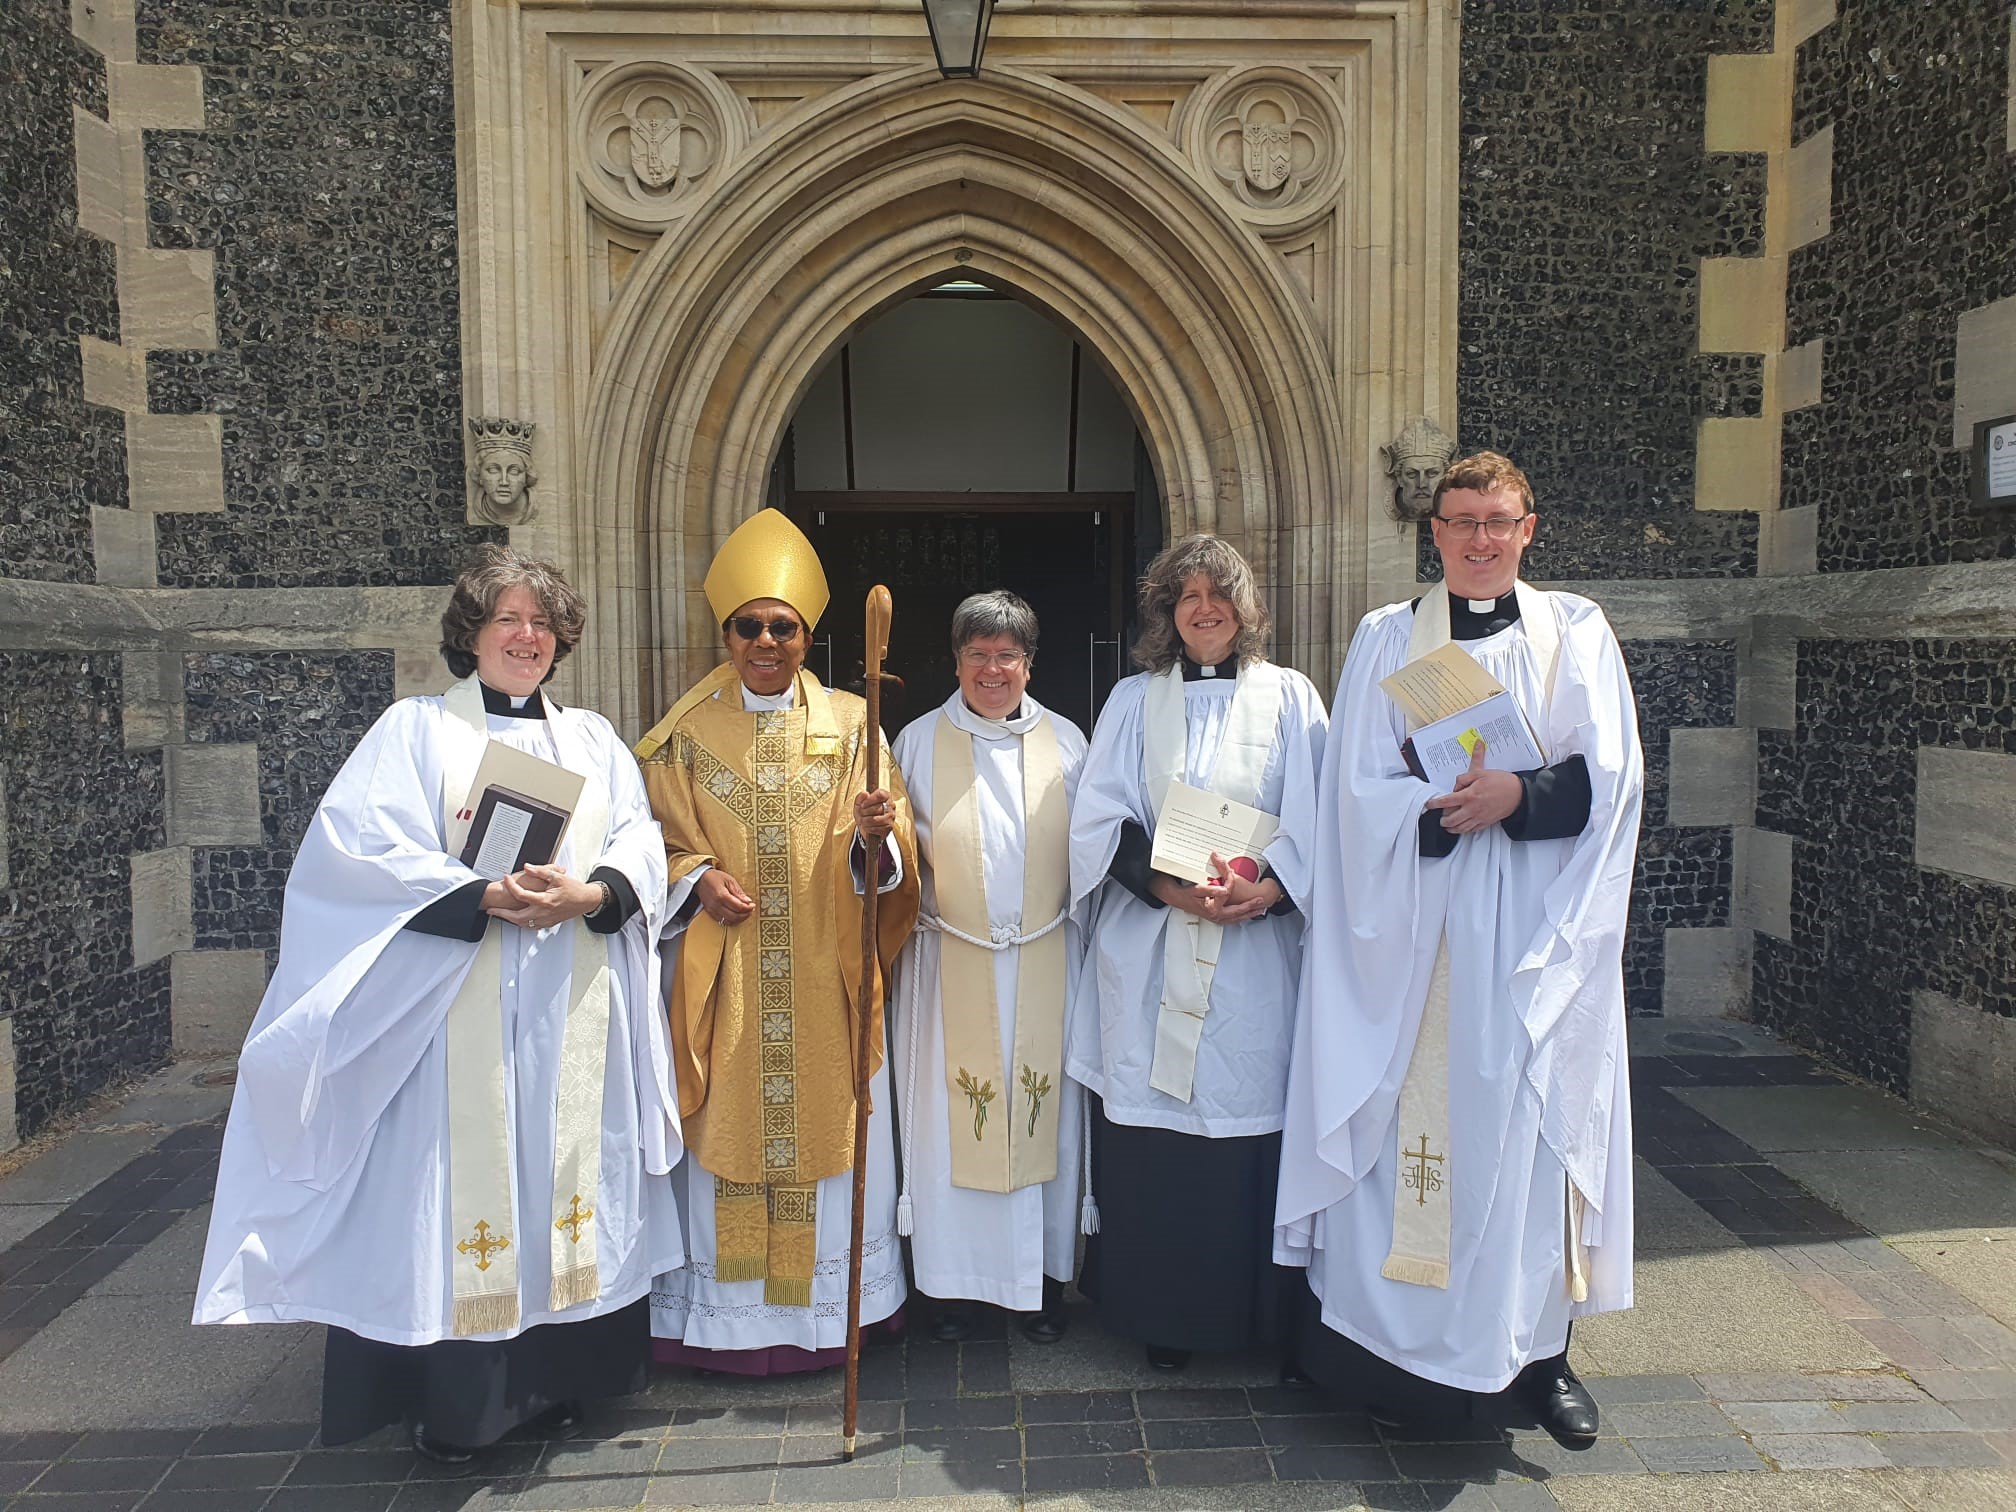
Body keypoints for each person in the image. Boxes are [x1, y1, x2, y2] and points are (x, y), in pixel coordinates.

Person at [193, 545, 681, 1464]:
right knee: (457, 1191)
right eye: (507, 620)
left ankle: (558, 1383)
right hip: (454, 1012)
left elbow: (639, 838)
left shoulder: (593, 740)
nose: (526, 637)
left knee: (565, 1180)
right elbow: (359, 852)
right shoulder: (415, 732)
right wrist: (484, 895)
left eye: (541, 623)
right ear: (472, 635)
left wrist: (594, 893)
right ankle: (462, 1408)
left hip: (566, 1012)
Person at [1274, 450, 1643, 1442]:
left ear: (1529, 529)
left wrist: (1517, 795)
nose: (1479, 538)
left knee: (1529, 1145)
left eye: (1498, 520)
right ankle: (1367, 1354)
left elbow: (1612, 786)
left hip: (1532, 939)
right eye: (1460, 520)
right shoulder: (1387, 639)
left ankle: (1538, 1360)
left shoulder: (1575, 634)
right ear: (1431, 533)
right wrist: (1435, 814)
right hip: (1417, 938)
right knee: (1407, 1138)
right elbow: (1350, 793)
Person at [639, 508, 920, 1372]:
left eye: (783, 627)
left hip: (820, 979)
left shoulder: (852, 727)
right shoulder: (678, 738)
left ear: (807, 635)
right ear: (724, 633)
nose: (766, 640)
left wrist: (876, 837)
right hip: (725, 980)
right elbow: (648, 842)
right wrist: (692, 878)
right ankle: (727, 1328)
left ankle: (822, 1315)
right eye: (749, 626)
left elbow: (894, 853)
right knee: (729, 1126)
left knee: (823, 1128)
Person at [1067, 535, 1328, 1373]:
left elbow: (1324, 818)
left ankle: (1259, 1312)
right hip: (1154, 946)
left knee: (1245, 1124)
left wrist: (1275, 889)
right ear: (1166, 615)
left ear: (1248, 609)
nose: (1204, 608)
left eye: (1220, 594)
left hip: (1254, 954)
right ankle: (1166, 1315)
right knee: (1160, 1131)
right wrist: (1169, 889)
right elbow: (1098, 820)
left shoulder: (1292, 698)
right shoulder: (1134, 701)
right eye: (1187, 597)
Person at [889, 591, 1090, 1345]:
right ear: (956, 660)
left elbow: (1095, 852)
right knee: (952, 1129)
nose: (993, 669)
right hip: (951, 969)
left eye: (1008, 655)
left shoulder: (1069, 743)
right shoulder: (914, 742)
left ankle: (1037, 1289)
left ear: (1030, 663)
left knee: (1042, 1125)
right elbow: (891, 865)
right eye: (978, 654)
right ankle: (952, 1290)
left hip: (1043, 960)